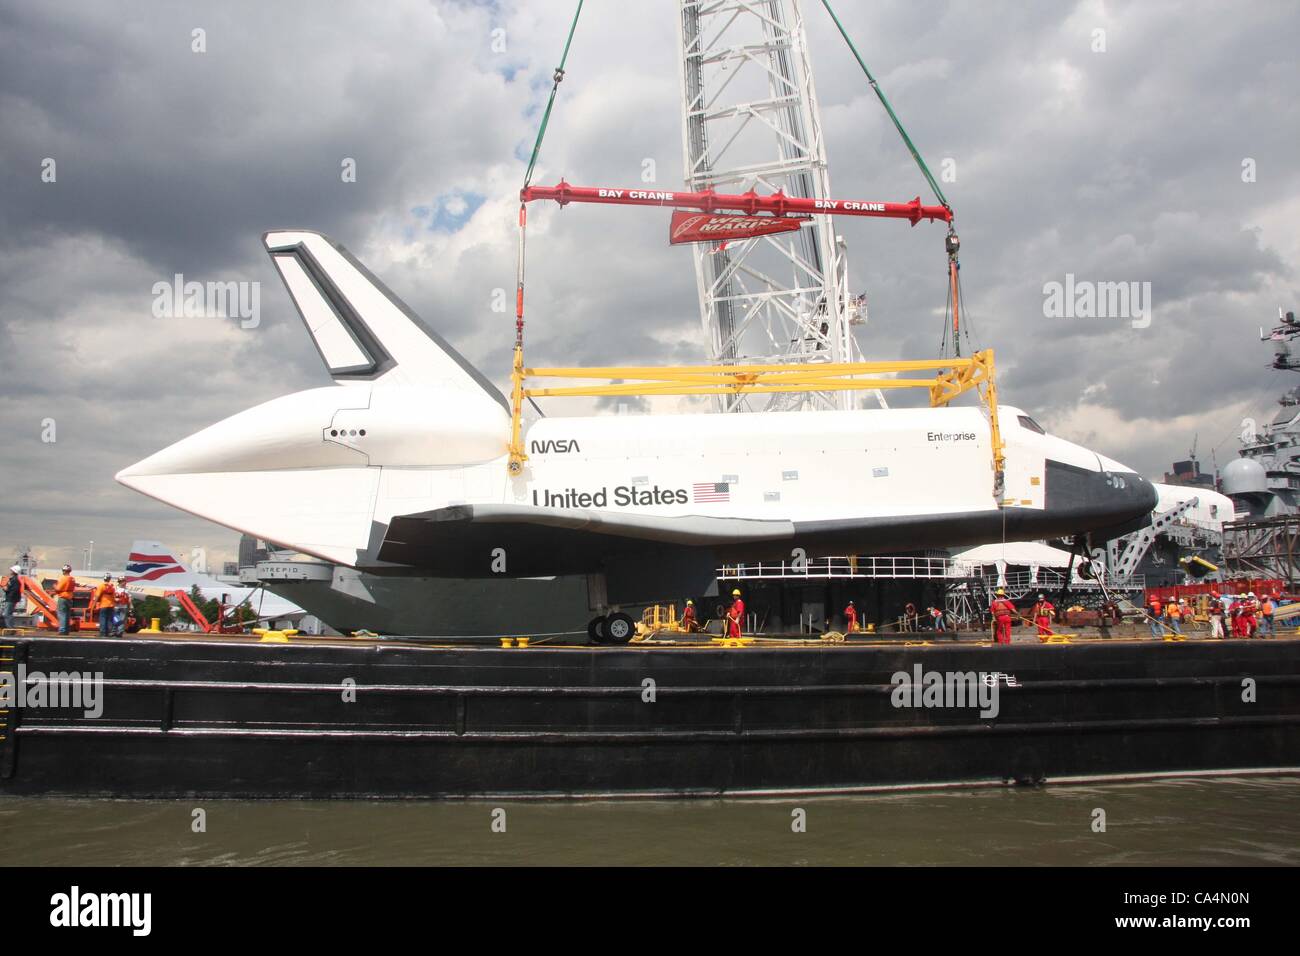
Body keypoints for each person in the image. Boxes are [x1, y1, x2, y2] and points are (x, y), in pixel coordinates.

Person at [54, 564, 77, 635]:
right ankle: (66, 630)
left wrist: (54, 586)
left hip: (63, 598)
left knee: (62, 614)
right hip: (69, 598)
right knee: (67, 615)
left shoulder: (64, 578)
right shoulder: (72, 579)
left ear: (64, 571)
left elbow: (58, 589)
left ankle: (62, 630)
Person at [2, 565, 21, 629]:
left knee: (6, 614)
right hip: (11, 599)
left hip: (11, 599)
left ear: (14, 571)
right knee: (8, 614)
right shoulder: (14, 579)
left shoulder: (14, 580)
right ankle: (10, 628)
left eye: (12, 570)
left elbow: (14, 590)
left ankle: (10, 629)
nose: (10, 571)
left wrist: (6, 589)